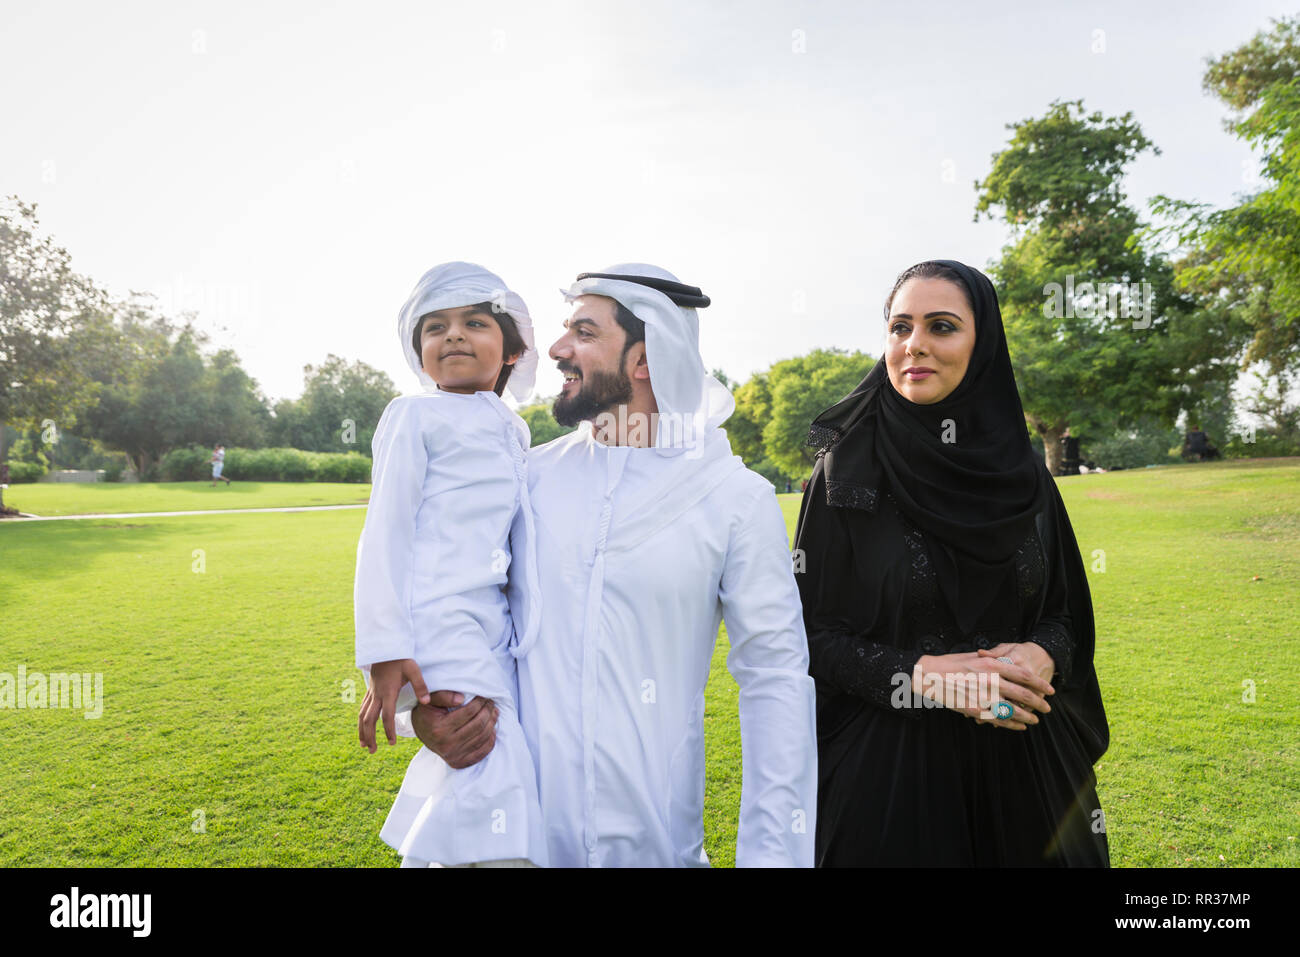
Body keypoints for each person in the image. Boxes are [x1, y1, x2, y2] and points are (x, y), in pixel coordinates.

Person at [407, 263, 818, 867]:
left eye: (583, 333)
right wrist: (427, 708)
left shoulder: (734, 497)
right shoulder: (525, 477)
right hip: (510, 838)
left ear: (645, 359)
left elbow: (775, 682)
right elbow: (446, 587)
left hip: (652, 844)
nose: (555, 349)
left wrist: (774, 860)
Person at [794, 259, 1109, 866]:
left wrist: (1043, 653)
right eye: (899, 327)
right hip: (891, 783)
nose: (914, 345)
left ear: (982, 341)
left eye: (941, 326)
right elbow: (808, 637)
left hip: (1030, 769)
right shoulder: (845, 477)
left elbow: (1065, 612)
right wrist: (929, 678)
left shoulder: (1024, 475)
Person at [353, 261, 548, 868]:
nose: (454, 335)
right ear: (419, 352)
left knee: (481, 776)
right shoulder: (414, 416)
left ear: (513, 348)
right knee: (487, 763)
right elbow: (383, 533)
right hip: (440, 625)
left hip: (497, 632)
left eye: (474, 322)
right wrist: (382, 653)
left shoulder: (515, 429)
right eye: (435, 327)